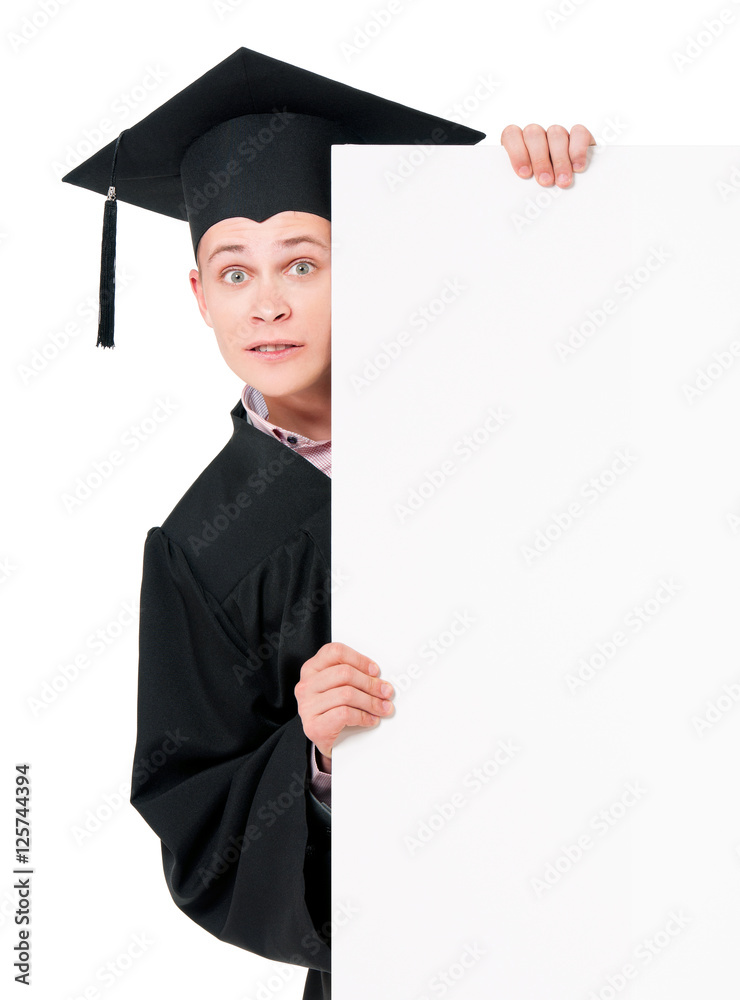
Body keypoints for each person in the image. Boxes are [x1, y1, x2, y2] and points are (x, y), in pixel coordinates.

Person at [62, 46, 594, 1000]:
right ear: (199, 298)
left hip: (605, 907)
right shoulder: (201, 547)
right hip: (398, 965)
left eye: (303, 263)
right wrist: (310, 756)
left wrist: (553, 205)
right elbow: (202, 830)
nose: (267, 303)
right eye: (233, 272)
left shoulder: (486, 408)